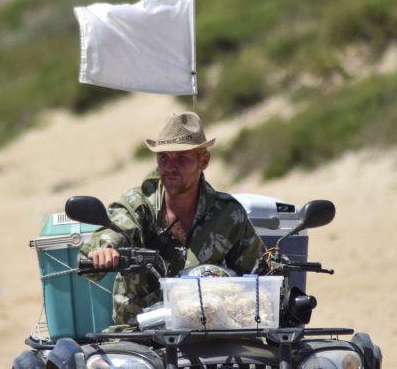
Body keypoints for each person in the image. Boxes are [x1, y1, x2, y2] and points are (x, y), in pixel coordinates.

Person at [82, 111, 265, 327]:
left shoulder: (228, 214)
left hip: (206, 330)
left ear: (203, 161)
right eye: (163, 157)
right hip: (138, 333)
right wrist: (105, 251)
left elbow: (259, 273)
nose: (170, 167)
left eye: (181, 158)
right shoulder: (138, 204)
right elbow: (114, 231)